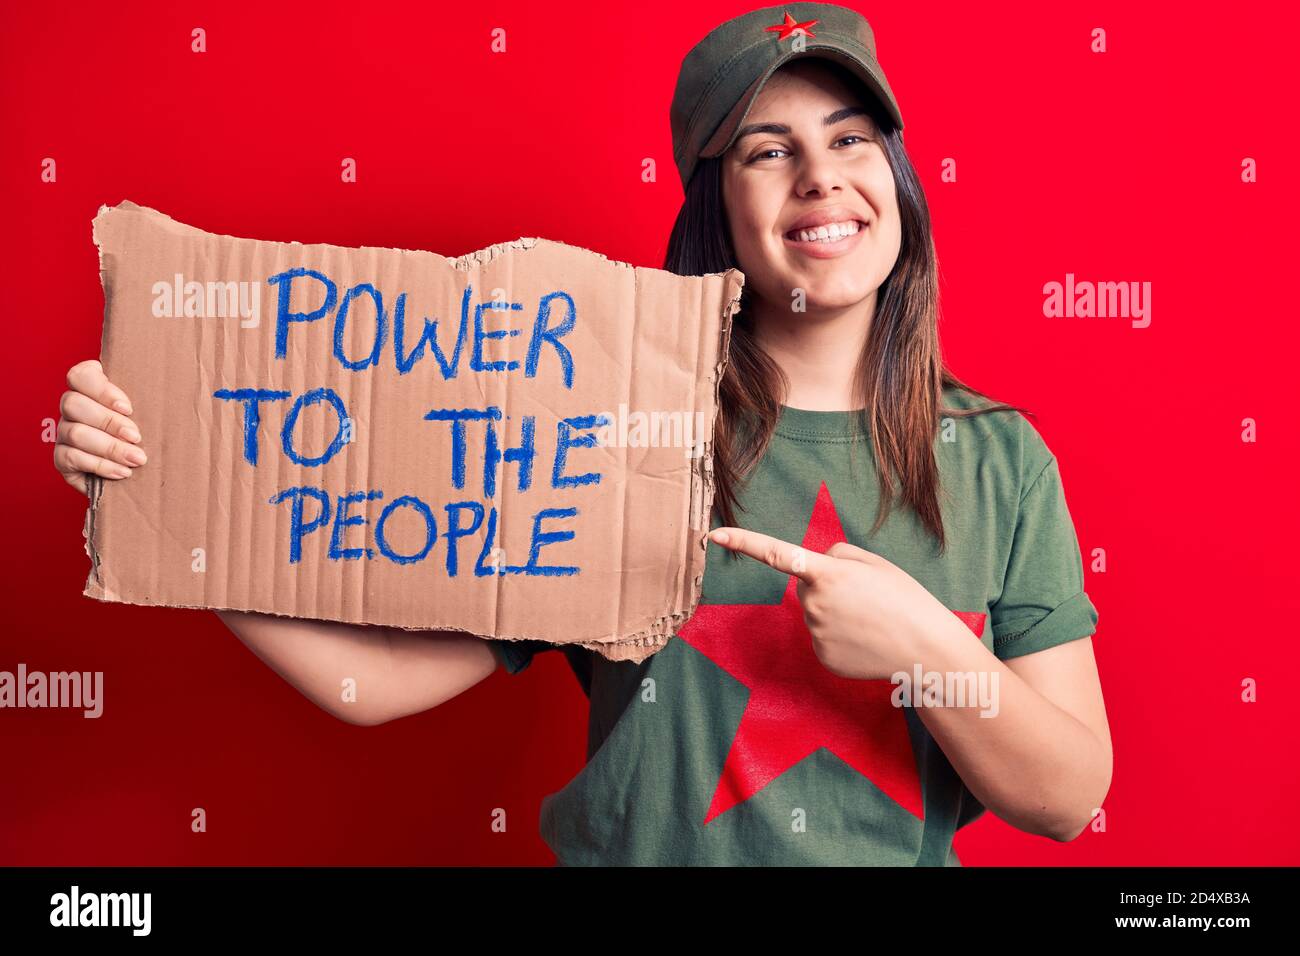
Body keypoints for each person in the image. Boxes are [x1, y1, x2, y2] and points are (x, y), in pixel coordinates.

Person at [53, 2, 1111, 865]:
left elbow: (1065, 797)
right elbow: (366, 686)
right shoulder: (603, 425)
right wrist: (164, 492)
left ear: (896, 178)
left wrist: (925, 649)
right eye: (765, 149)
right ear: (717, 204)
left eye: (848, 140)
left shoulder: (1001, 458)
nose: (819, 177)